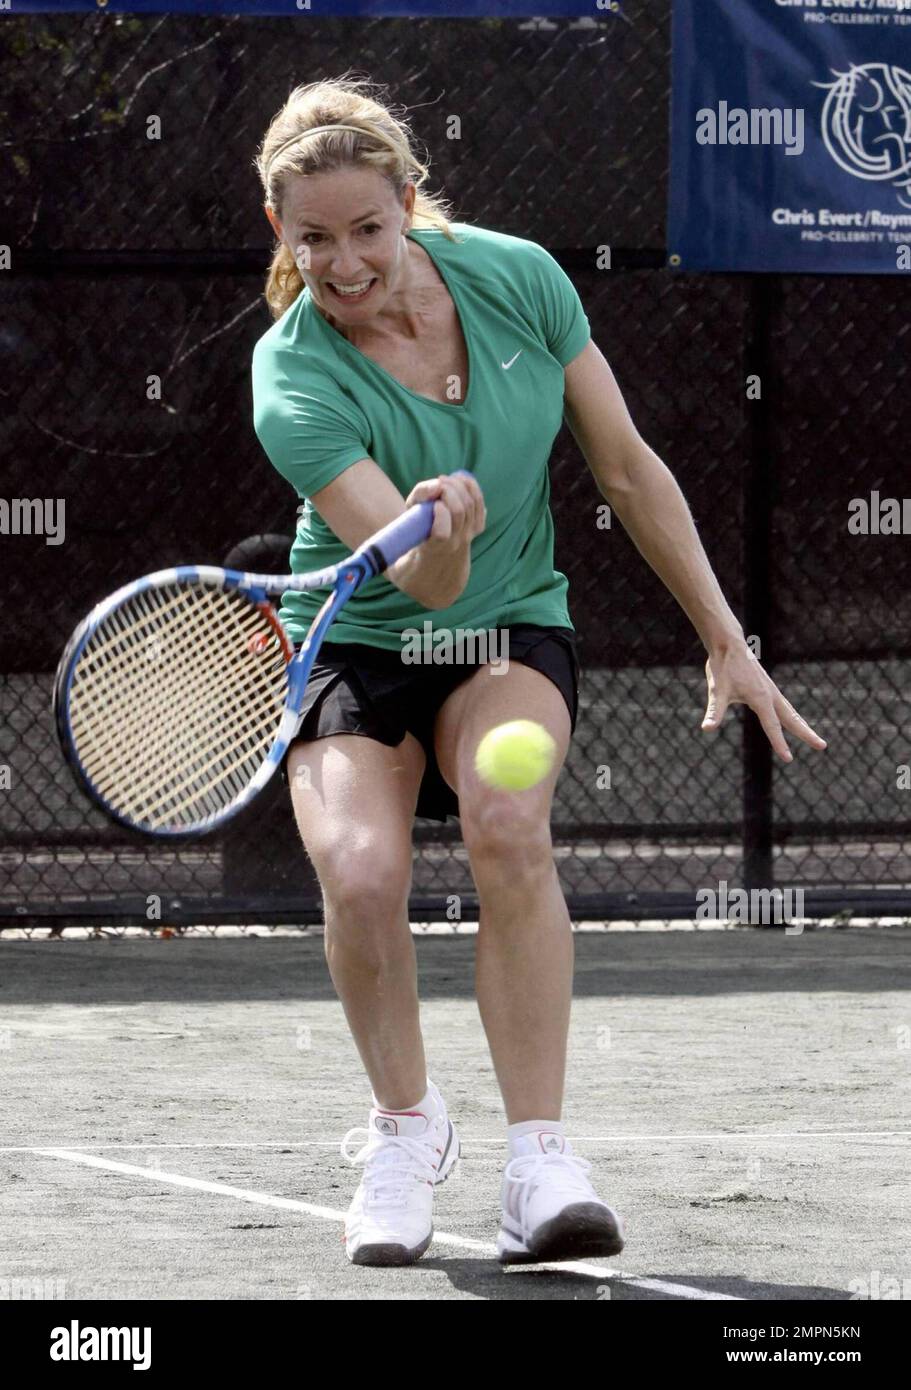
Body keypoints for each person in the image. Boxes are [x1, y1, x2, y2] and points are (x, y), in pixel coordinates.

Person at [251, 75, 826, 1268]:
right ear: (281, 236)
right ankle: (407, 1130)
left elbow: (624, 467)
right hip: (362, 635)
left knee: (510, 823)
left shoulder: (517, 278)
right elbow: (421, 588)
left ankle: (538, 1163)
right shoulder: (290, 379)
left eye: (367, 228)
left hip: (511, 622)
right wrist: (436, 524)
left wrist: (726, 636)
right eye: (314, 240)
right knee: (360, 876)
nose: (344, 262)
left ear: (410, 202)